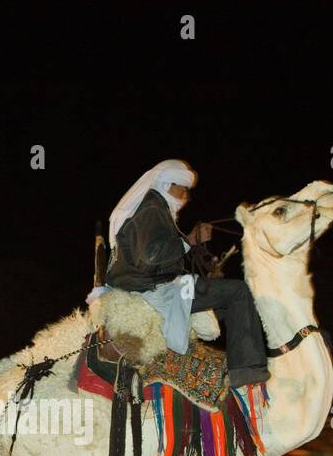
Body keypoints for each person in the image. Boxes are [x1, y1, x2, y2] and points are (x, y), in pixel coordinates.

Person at [99, 160, 270, 386]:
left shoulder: (152, 207)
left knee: (220, 296)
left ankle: (203, 361)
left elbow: (156, 259)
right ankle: (248, 370)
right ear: (168, 184)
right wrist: (190, 239)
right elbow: (151, 258)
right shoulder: (152, 207)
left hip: (149, 283)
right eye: (184, 189)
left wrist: (194, 257)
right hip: (151, 287)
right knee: (238, 291)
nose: (186, 196)